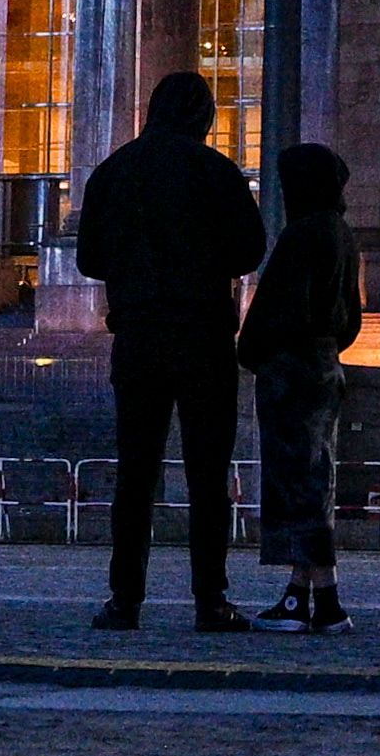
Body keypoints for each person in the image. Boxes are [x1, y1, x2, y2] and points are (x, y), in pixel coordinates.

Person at [74, 70, 264, 632]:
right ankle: (211, 599)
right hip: (203, 335)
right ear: (202, 116)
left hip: (137, 336)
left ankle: (125, 598)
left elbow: (87, 259)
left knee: (135, 473)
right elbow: (250, 249)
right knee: (208, 476)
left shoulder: (113, 172)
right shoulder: (215, 171)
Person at [237, 141, 364, 631]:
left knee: (296, 484)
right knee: (315, 481)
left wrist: (251, 352)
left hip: (291, 373)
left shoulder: (302, 235)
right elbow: (350, 319)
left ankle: (304, 601)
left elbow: (272, 312)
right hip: (326, 365)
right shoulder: (342, 234)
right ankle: (316, 595)